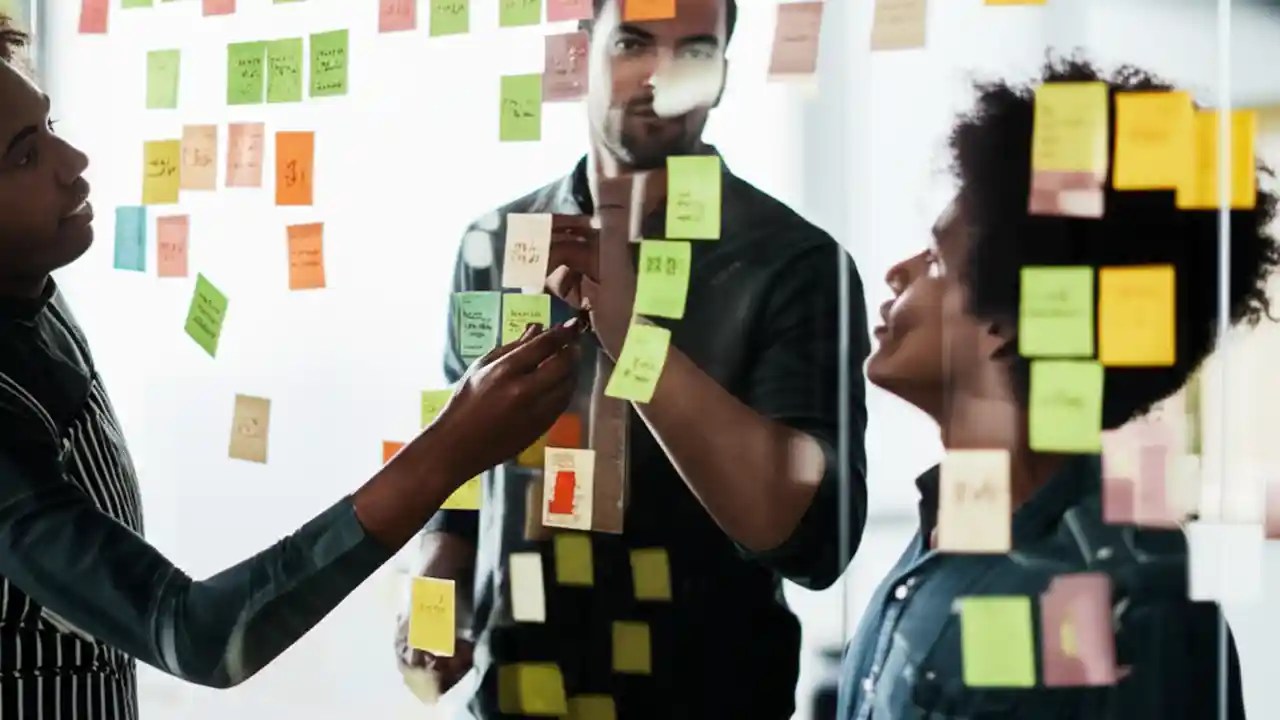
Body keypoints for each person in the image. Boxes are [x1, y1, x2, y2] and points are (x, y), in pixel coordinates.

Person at [0, 18, 584, 720]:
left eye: (50, 124)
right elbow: (197, 636)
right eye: (24, 156)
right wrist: (450, 448)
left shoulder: (34, 295)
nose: (75, 160)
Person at [395, 0, 870, 716]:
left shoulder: (793, 265)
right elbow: (462, 477)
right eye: (636, 43)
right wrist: (433, 589)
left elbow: (816, 545)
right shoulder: (495, 246)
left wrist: (633, 335)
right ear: (583, 53)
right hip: (516, 697)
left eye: (694, 54)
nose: (659, 76)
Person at [839, 56, 1276, 719]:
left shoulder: (1120, 602)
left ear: (1003, 317)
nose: (898, 273)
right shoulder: (947, 537)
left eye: (934, 260)